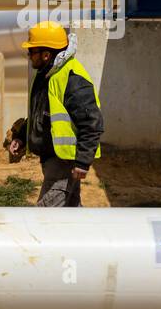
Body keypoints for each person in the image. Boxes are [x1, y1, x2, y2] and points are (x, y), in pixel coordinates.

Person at [6, 21, 103, 207]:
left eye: (32, 51)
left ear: (46, 54)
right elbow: (42, 115)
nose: (28, 56)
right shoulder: (46, 74)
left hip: (64, 164)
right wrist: (22, 137)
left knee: (44, 220)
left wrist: (83, 162)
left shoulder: (72, 78)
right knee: (70, 222)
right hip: (52, 160)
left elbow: (92, 123)